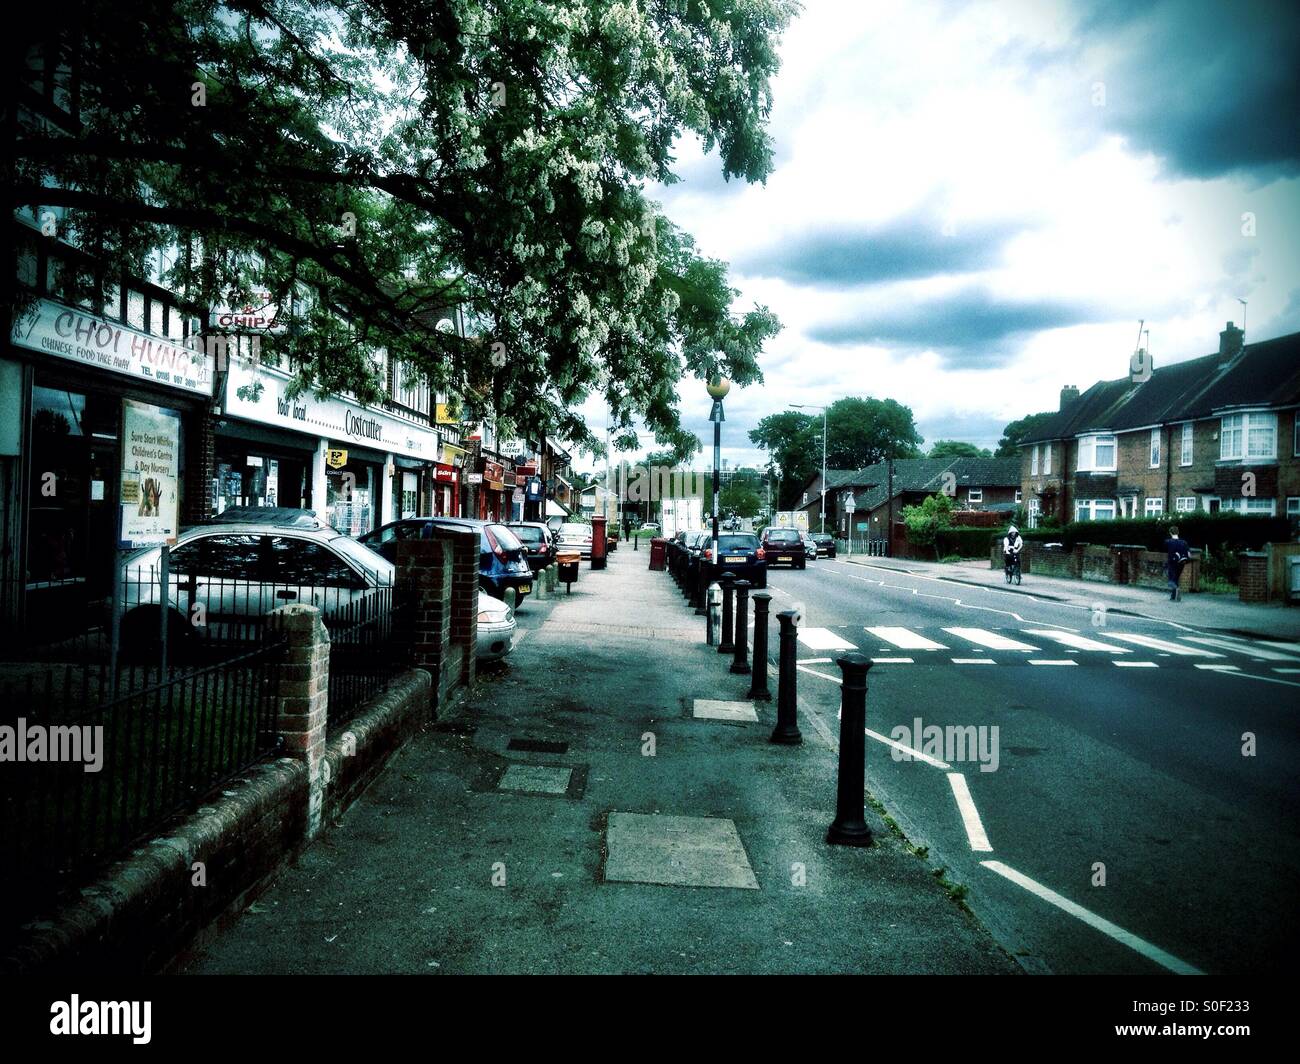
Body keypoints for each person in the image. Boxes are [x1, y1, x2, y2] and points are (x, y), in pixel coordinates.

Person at [1165, 525, 1191, 601]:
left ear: (1170, 533)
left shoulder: (1168, 542)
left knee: (1171, 580)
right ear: (1178, 532)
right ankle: (1173, 596)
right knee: (1176, 578)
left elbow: (1164, 550)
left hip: (1172, 562)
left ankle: (1176, 590)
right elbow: (1189, 554)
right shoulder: (1184, 542)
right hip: (1181, 563)